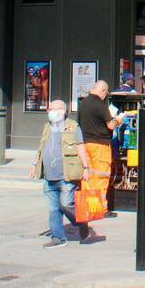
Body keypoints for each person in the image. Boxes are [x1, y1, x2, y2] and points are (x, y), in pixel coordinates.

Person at [30, 99, 94, 248]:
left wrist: (86, 167)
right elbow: (41, 147)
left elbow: (80, 147)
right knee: (54, 209)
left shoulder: (72, 127)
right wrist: (34, 164)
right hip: (49, 175)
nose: (48, 112)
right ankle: (58, 238)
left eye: (52, 109)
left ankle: (81, 223)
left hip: (67, 174)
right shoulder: (47, 127)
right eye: (49, 109)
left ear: (62, 111)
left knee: (66, 204)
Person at [79, 80, 125, 220]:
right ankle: (101, 209)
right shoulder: (100, 104)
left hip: (85, 144)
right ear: (103, 91)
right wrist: (118, 120)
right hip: (100, 145)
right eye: (106, 93)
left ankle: (87, 207)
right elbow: (110, 125)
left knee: (88, 176)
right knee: (101, 177)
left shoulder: (83, 103)